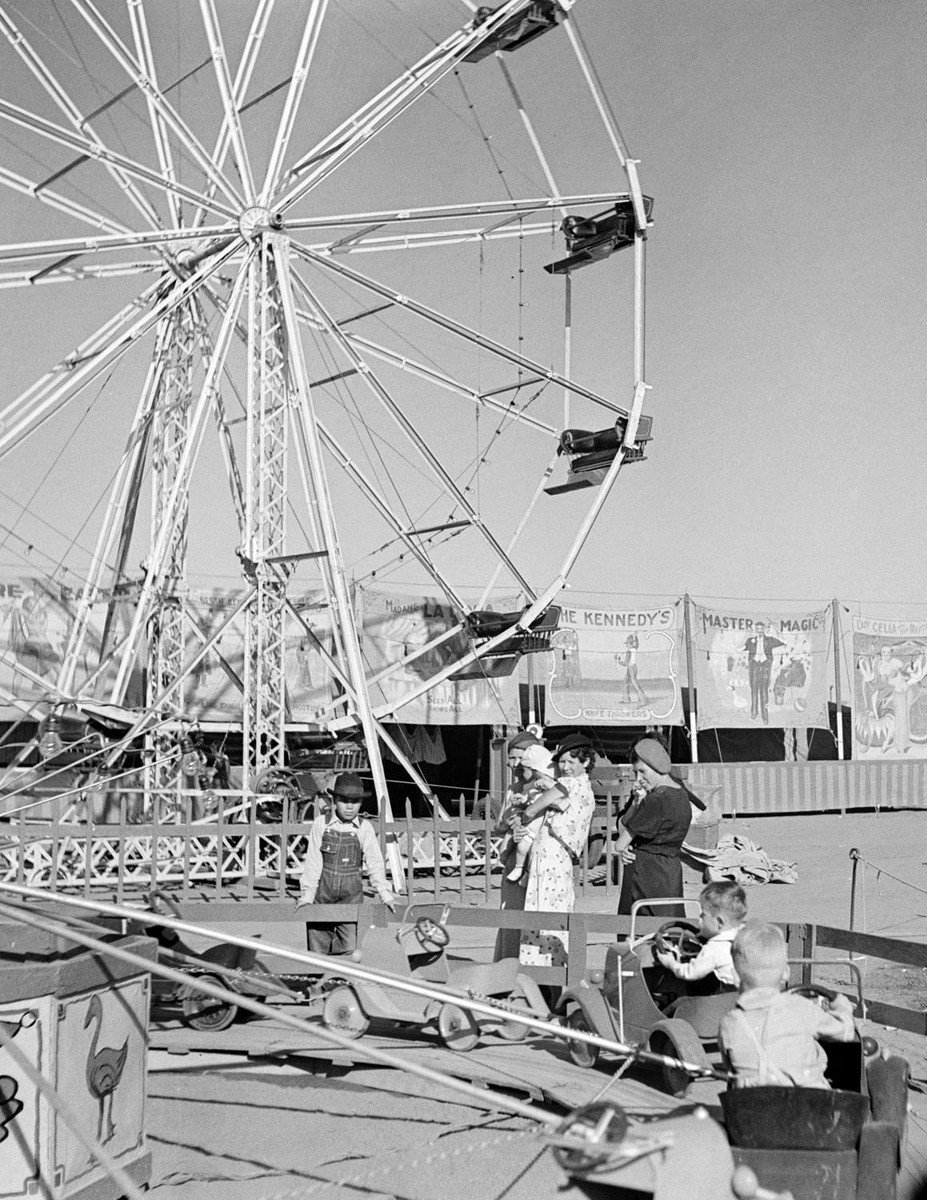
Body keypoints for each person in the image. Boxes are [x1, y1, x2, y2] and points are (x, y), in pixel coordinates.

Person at [718, 922, 856, 1089]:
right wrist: (843, 1009)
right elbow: (846, 1033)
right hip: (812, 1107)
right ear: (786, 972)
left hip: (753, 1109)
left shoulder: (729, 1023)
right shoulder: (802, 1008)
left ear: (735, 977)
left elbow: (730, 1068)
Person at [519, 733, 596, 969]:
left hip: (550, 854)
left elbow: (531, 811)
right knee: (557, 909)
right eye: (561, 762)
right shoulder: (586, 789)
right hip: (561, 857)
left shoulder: (570, 784)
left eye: (571, 762)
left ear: (585, 762)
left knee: (543, 909)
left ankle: (540, 966)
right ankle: (554, 964)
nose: (564, 767)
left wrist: (530, 806)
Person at [296, 772, 395, 955]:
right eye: (344, 800)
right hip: (322, 895)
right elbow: (313, 862)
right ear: (334, 800)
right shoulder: (321, 824)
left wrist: (384, 894)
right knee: (317, 948)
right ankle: (318, 980)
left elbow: (375, 863)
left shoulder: (364, 828)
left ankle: (335, 970)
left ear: (361, 803)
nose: (350, 807)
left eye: (355, 801)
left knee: (350, 946)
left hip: (351, 898)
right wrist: (307, 895)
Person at [616, 737, 691, 918]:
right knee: (668, 929)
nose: (639, 779)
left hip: (645, 875)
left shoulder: (656, 799)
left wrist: (636, 803)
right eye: (635, 773)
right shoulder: (680, 792)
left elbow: (620, 843)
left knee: (638, 932)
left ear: (658, 766)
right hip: (669, 871)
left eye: (642, 771)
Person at [493, 729, 543, 960]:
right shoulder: (513, 789)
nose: (512, 764)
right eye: (510, 758)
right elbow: (499, 826)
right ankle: (508, 965)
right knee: (511, 915)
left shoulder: (546, 787)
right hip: (515, 857)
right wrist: (510, 822)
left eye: (517, 758)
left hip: (539, 859)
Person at [654, 881, 746, 991]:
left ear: (720, 922)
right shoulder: (744, 936)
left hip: (724, 998)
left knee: (681, 1003)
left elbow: (689, 973)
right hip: (744, 992)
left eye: (703, 915)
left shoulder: (714, 948)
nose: (699, 919)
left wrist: (671, 963)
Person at [504, 743, 566, 884]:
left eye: (520, 759)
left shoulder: (550, 787)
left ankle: (523, 872)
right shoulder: (519, 788)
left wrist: (523, 816)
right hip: (521, 839)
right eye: (512, 758)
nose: (516, 764)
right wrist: (512, 822)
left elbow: (558, 805)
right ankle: (507, 863)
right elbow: (501, 824)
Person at [743, 621, 786, 724]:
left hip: (765, 667)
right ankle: (754, 712)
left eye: (761, 629)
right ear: (755, 630)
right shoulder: (751, 640)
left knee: (764, 692)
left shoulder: (769, 640)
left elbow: (784, 641)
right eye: (757, 629)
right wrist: (746, 636)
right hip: (754, 667)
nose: (759, 631)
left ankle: (765, 716)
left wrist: (776, 629)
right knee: (754, 690)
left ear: (764, 629)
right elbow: (738, 648)